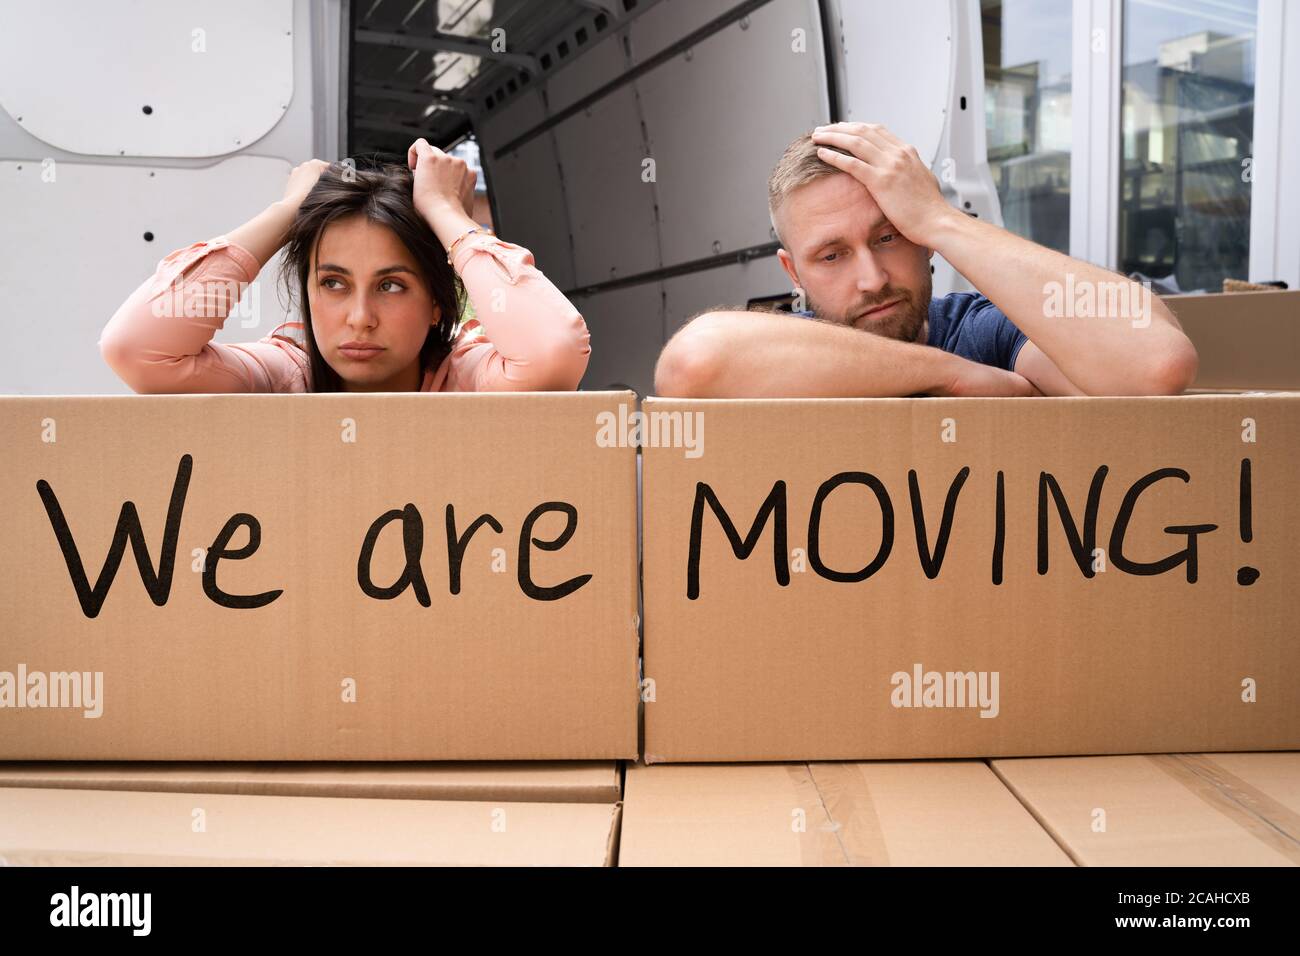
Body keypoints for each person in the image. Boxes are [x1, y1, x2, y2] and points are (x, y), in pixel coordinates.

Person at [654, 123, 1198, 398]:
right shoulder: (786, 352)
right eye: (831, 255)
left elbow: (1157, 363)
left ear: (922, 240)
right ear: (793, 274)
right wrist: (954, 377)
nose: (871, 280)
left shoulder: (986, 333)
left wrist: (944, 219)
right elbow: (691, 364)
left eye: (889, 237)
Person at [100, 139, 590, 393]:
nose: (359, 318)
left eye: (392, 286)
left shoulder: (463, 376)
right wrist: (288, 211)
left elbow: (552, 353)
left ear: (439, 303)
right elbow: (136, 350)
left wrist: (447, 213)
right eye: (333, 282)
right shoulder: (286, 375)